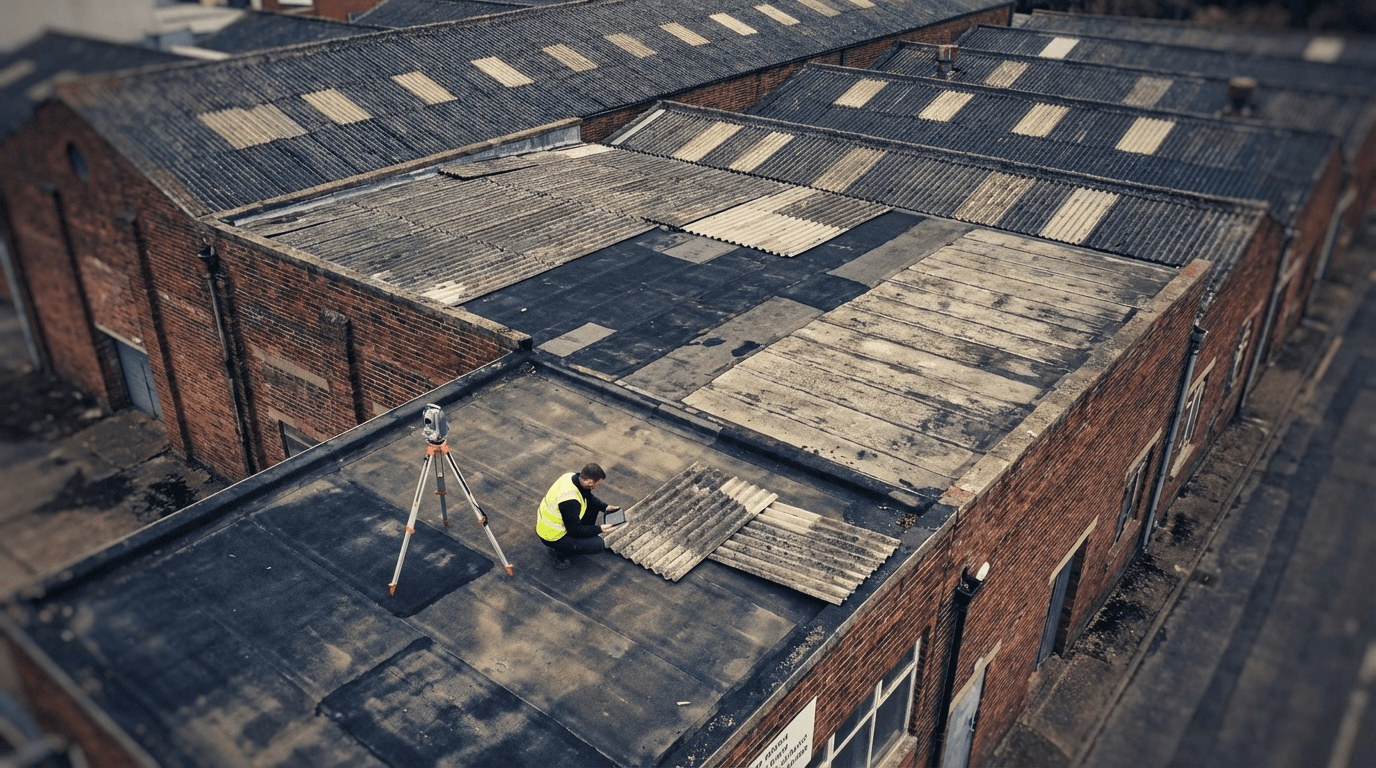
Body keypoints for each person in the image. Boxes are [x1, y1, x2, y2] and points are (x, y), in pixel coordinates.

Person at [536, 462, 621, 570]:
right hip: (552, 536)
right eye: (597, 484)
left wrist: (605, 507)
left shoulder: (570, 477)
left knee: (593, 506)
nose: (597, 487)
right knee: (598, 544)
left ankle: (574, 543)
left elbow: (588, 497)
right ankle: (558, 552)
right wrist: (599, 529)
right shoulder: (570, 501)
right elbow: (574, 530)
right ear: (590, 482)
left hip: (551, 523)